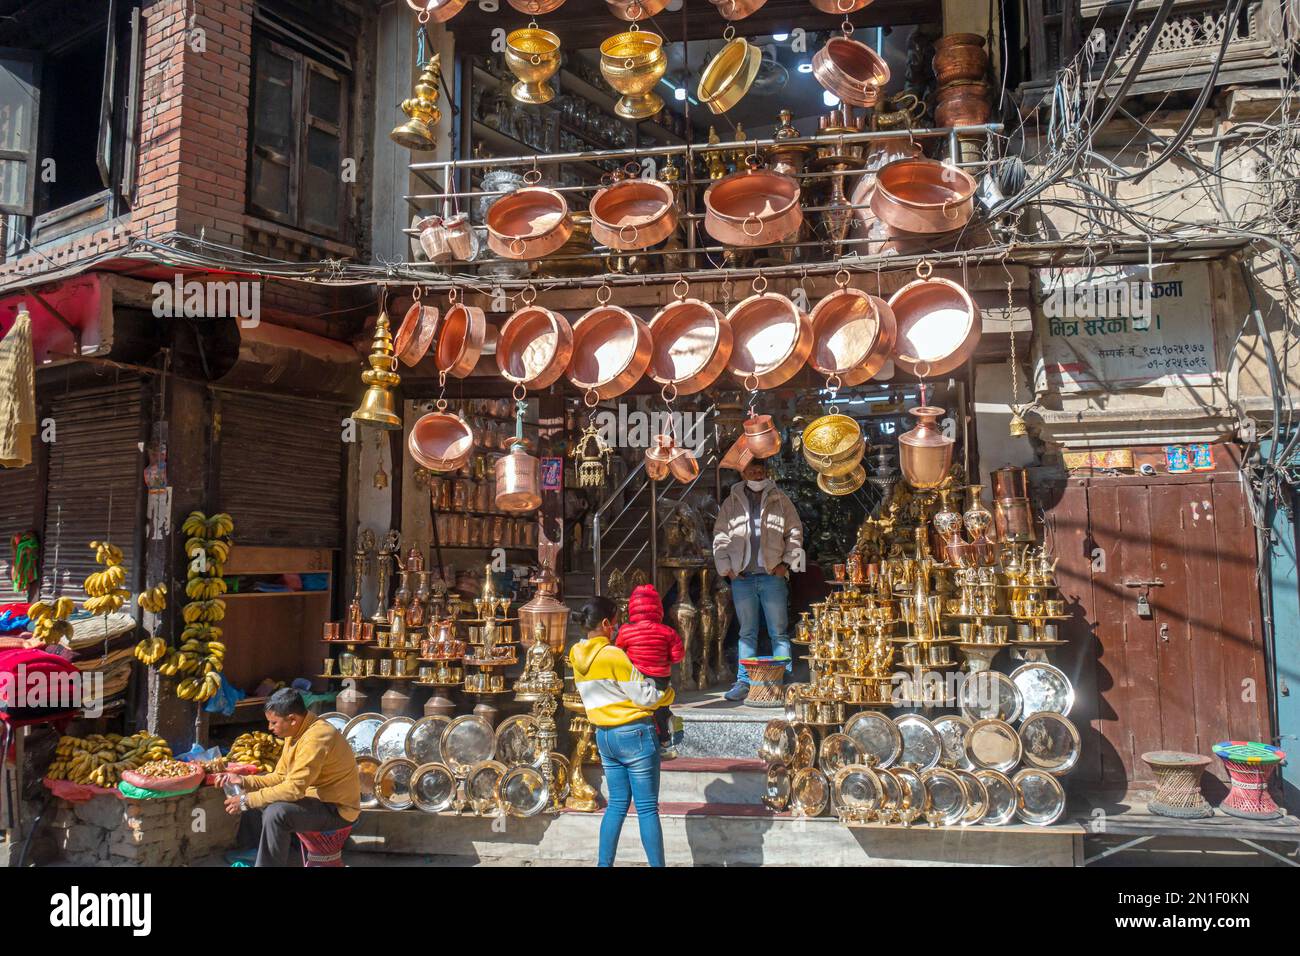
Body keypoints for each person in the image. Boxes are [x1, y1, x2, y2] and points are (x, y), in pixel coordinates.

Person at [570, 595, 671, 867]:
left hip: (604, 735)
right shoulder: (613, 655)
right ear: (605, 624)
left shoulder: (576, 654)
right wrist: (668, 694)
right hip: (634, 733)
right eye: (614, 623)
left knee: (616, 805)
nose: (616, 629)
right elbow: (646, 697)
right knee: (648, 808)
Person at [218, 688, 361, 867]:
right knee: (256, 795)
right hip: (313, 801)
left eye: (273, 723)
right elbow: (279, 777)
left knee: (276, 813)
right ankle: (257, 854)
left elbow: (293, 789)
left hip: (337, 810)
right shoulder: (295, 732)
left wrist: (247, 800)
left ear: (293, 719)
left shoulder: (316, 737)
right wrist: (245, 781)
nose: (270, 728)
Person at [712, 457, 804, 702]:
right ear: (743, 473)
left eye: (760, 469)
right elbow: (720, 536)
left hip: (772, 576)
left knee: (779, 633)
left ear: (765, 472)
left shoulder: (780, 499)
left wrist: (785, 564)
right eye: (751, 469)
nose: (756, 473)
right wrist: (728, 570)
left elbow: (794, 531)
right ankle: (744, 682)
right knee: (747, 633)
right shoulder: (731, 502)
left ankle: (783, 681)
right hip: (742, 578)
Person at [614, 583, 684, 756]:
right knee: (659, 706)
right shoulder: (668, 632)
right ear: (658, 608)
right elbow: (677, 656)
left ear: (632, 608)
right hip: (661, 678)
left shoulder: (626, 631)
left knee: (643, 709)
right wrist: (663, 658)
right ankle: (666, 741)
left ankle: (657, 740)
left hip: (637, 677)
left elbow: (617, 653)